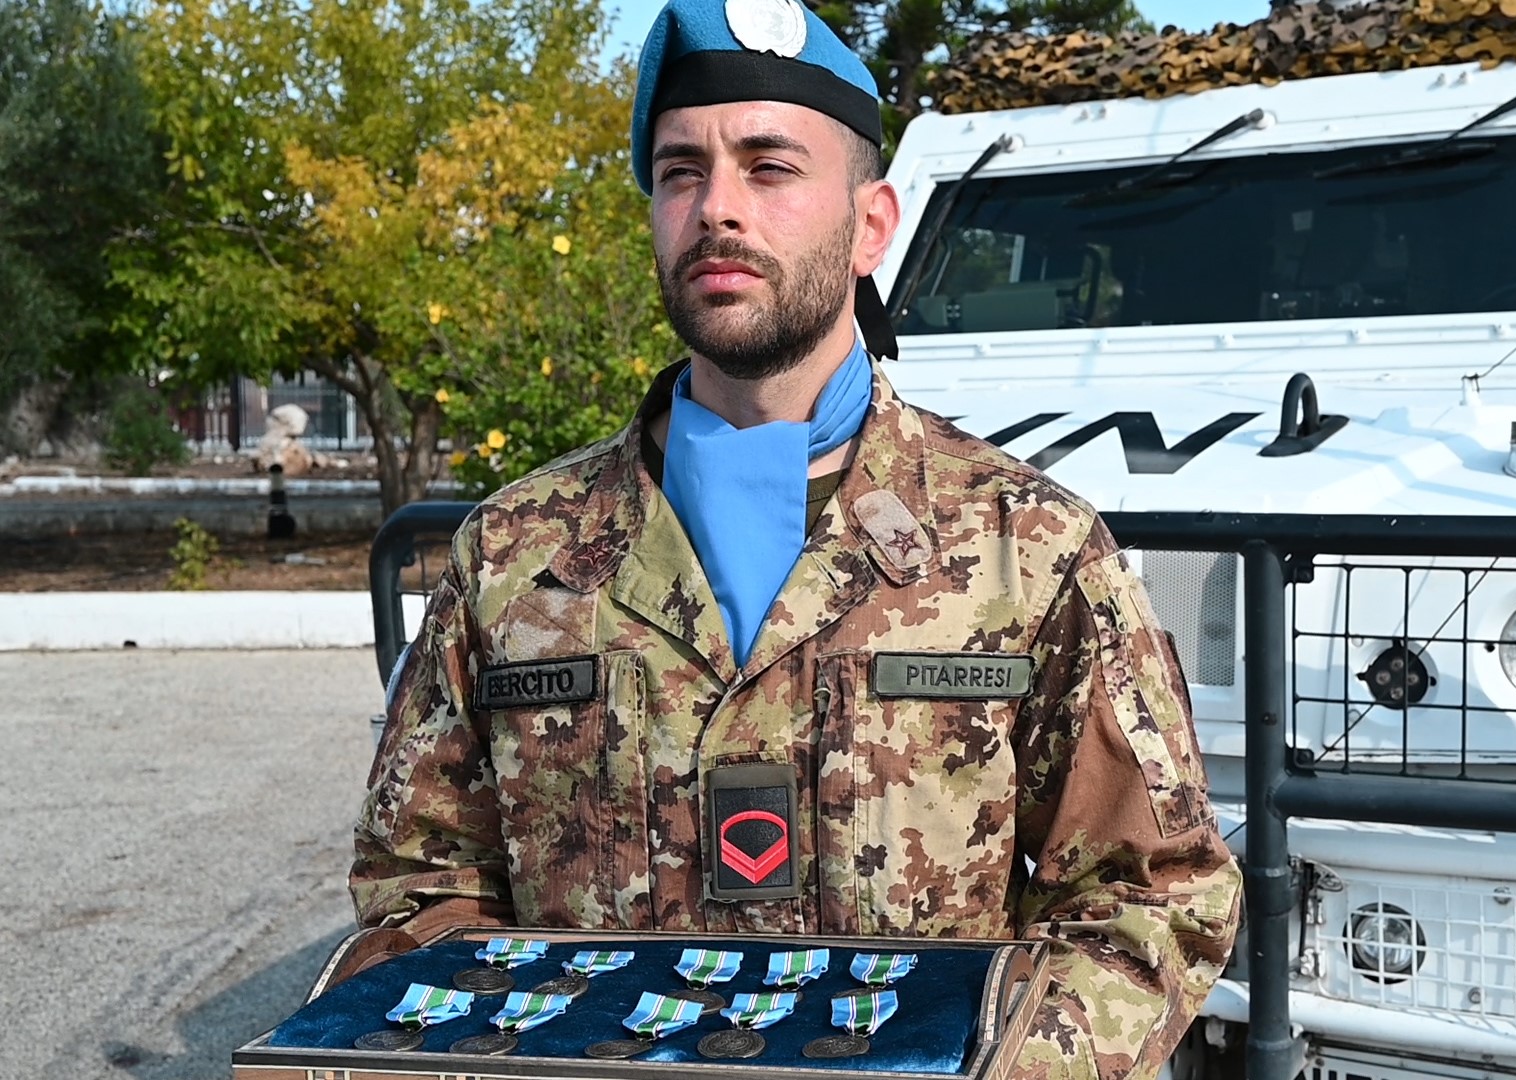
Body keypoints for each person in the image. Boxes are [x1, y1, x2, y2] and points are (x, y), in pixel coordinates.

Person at [349, 0, 1243, 1076]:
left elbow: (1152, 894)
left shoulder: (1028, 548)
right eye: (681, 173)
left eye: (769, 167)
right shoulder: (513, 559)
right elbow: (420, 883)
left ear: (871, 225)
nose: (717, 208)